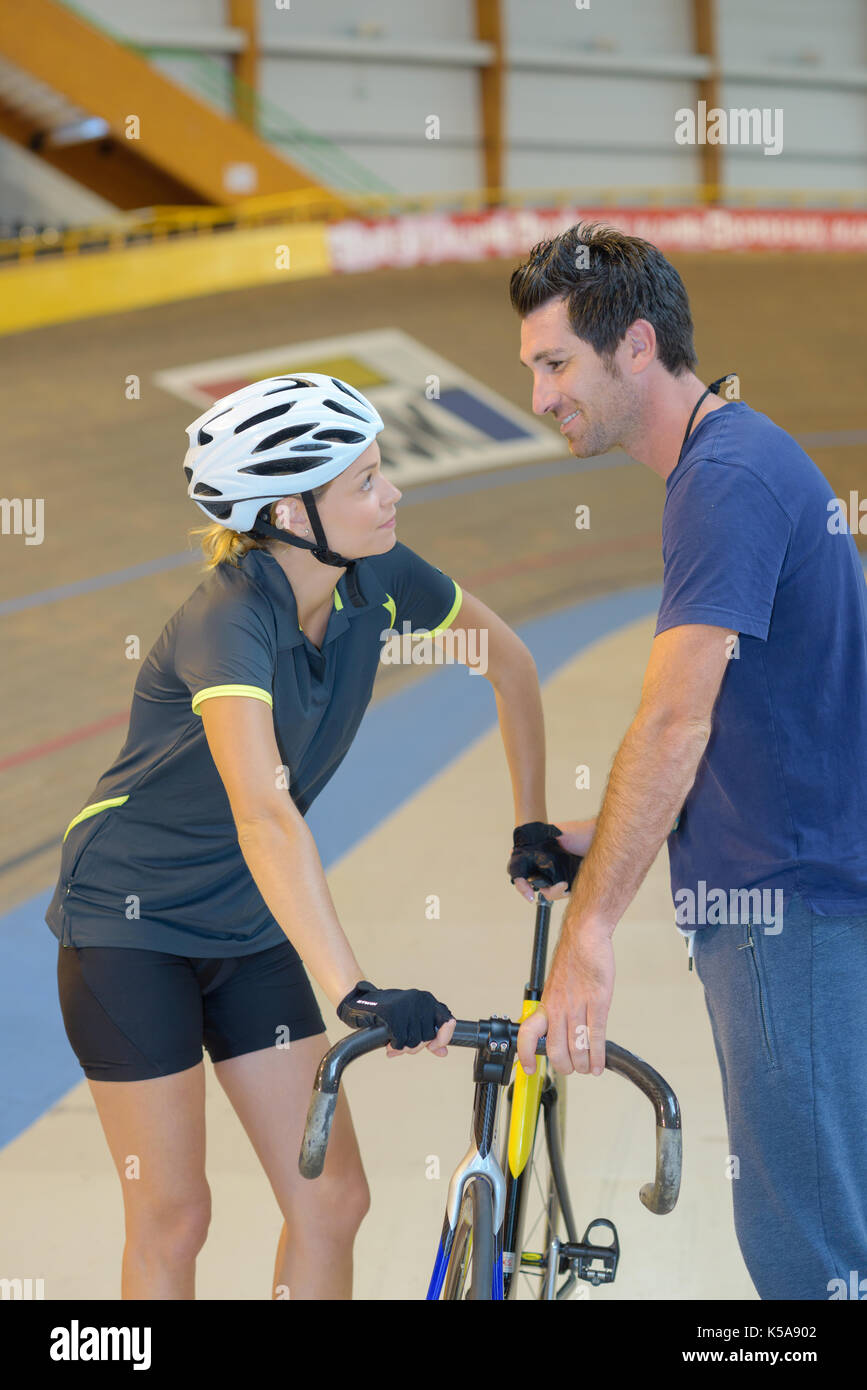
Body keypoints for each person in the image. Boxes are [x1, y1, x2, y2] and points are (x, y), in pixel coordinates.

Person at [44, 372, 573, 1301]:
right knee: (175, 1216)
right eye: (365, 480)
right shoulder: (227, 621)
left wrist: (530, 819)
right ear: (291, 512)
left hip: (245, 927)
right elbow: (263, 811)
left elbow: (512, 666)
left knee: (331, 1204)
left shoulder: (378, 580)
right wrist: (354, 990)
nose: (392, 492)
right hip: (129, 931)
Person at [508, 221, 867, 1300]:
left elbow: (676, 721)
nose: (539, 397)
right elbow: (757, 721)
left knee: (810, 1256)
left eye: (555, 363)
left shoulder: (725, 481)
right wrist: (596, 843)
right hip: (797, 898)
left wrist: (591, 932)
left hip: (789, 914)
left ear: (637, 345)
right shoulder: (732, 461)